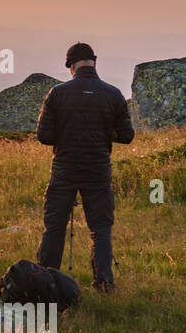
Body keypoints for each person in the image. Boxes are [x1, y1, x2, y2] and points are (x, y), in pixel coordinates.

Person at [34, 42, 134, 291]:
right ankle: (103, 281)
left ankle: (46, 280)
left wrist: (67, 134)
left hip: (64, 170)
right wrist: (101, 133)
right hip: (98, 170)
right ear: (94, 62)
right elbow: (127, 135)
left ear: (71, 66)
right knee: (100, 227)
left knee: (54, 226)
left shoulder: (57, 93)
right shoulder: (113, 94)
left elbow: (44, 136)